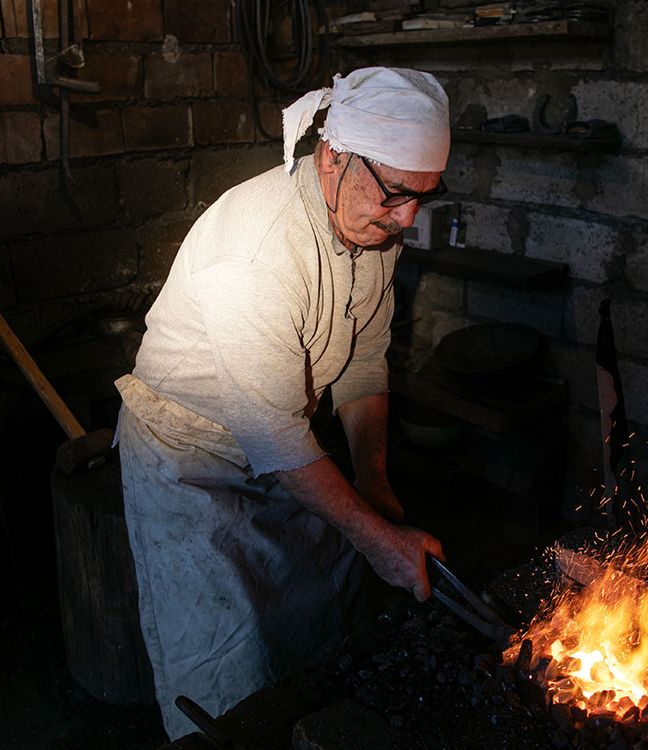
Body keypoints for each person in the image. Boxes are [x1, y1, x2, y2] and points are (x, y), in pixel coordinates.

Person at [114, 67, 450, 738]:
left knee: (311, 629)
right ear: (333, 157)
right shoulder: (258, 254)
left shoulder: (374, 230)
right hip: (189, 463)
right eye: (394, 193)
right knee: (228, 670)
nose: (407, 217)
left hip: (279, 444)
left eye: (424, 197)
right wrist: (376, 536)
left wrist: (373, 481)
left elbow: (362, 360)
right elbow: (276, 438)